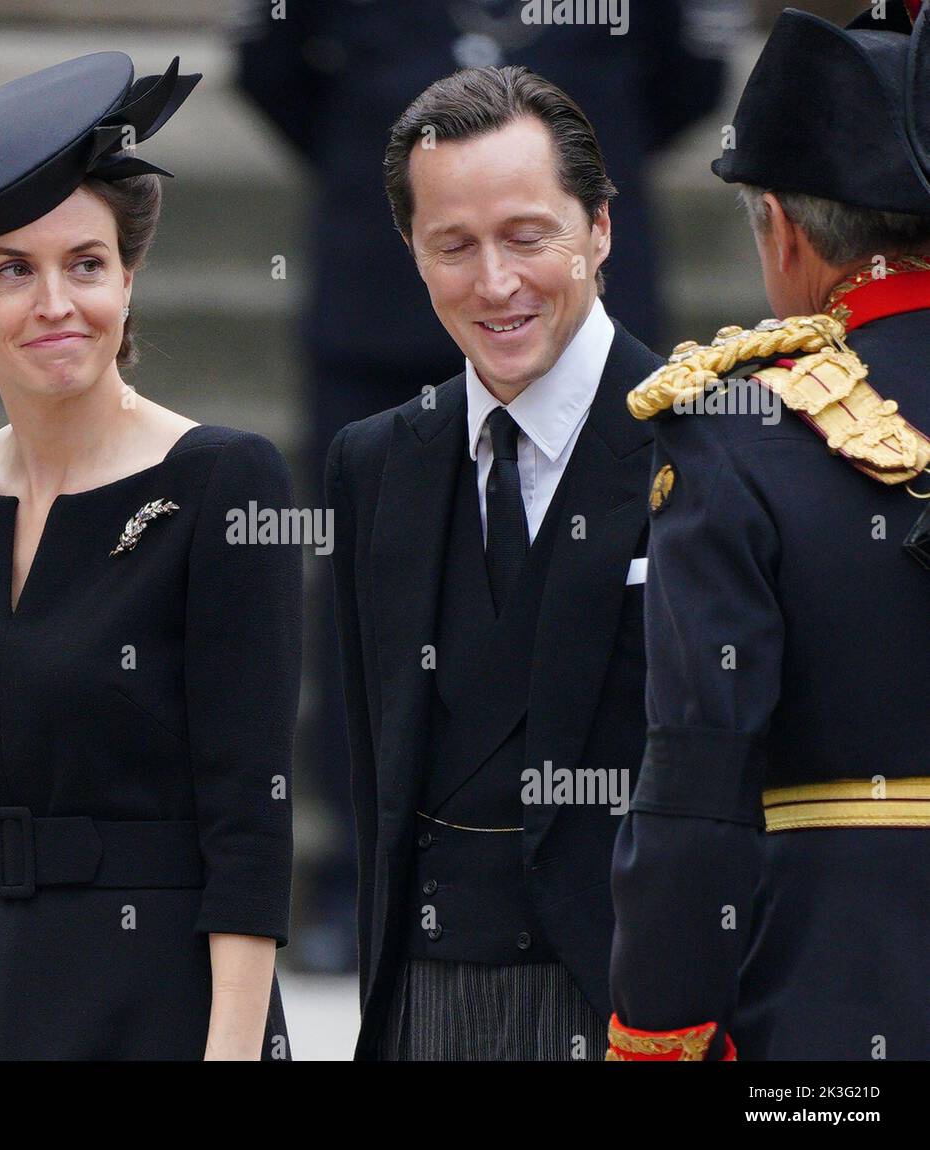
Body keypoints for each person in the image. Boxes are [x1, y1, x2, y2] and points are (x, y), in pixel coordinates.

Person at [235, 0, 735, 974]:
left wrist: (533, 183)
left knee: (602, 593)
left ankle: (601, 870)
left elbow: (687, 76)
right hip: (377, 319)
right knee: (368, 614)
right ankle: (361, 876)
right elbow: (272, 66)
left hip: (579, 313)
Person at [0, 52, 302, 1061]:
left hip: (171, 1005)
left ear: (127, 281)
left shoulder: (224, 480)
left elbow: (248, 826)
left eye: (85, 264)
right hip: (3, 1000)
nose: (56, 303)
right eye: (12, 268)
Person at [608, 2, 930, 1061]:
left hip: (832, 1009)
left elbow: (693, 790)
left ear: (783, 230)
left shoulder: (734, 433)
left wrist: (655, 1030)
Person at [326, 64, 662, 1060]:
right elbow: (372, 765)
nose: (495, 283)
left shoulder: (710, 442)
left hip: (638, 1006)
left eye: (526, 236)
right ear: (410, 252)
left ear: (598, 228)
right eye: (453, 247)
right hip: (421, 1005)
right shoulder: (374, 462)